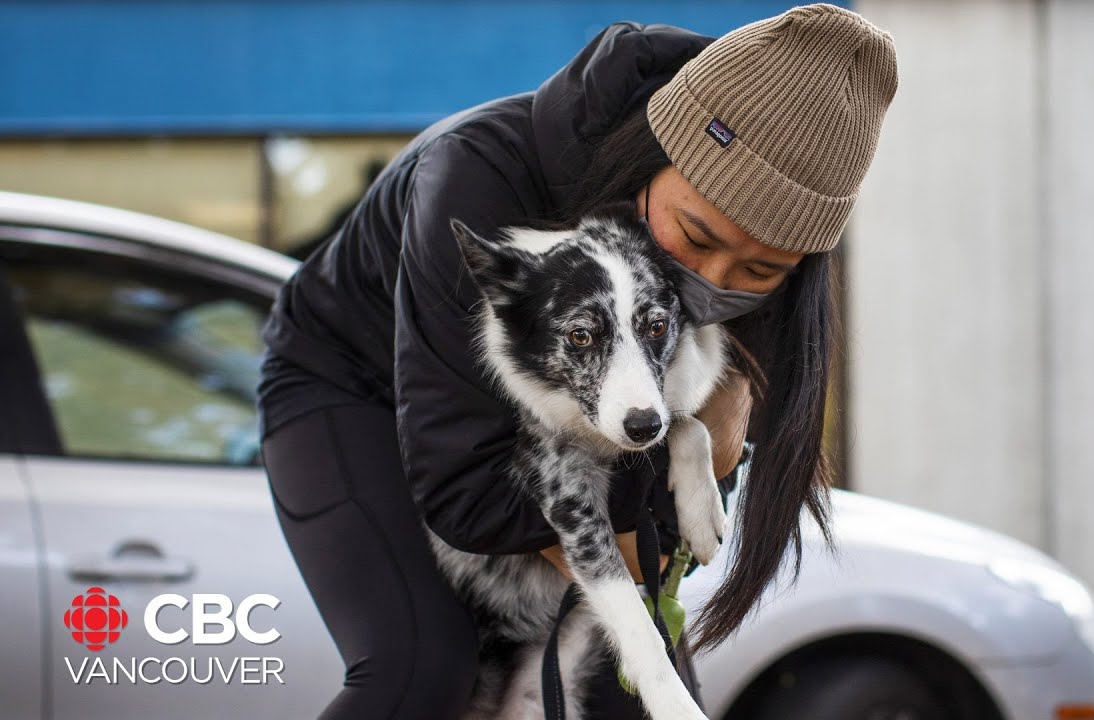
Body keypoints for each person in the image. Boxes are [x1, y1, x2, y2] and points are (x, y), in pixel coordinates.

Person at [255, 4, 898, 718]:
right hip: (358, 384)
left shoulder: (753, 290)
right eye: (695, 236)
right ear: (654, 158)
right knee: (425, 667)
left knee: (641, 692)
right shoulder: (477, 177)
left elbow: (664, 539)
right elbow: (471, 495)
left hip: (576, 410)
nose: (710, 281)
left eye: (760, 270)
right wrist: (679, 472)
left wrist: (707, 445)